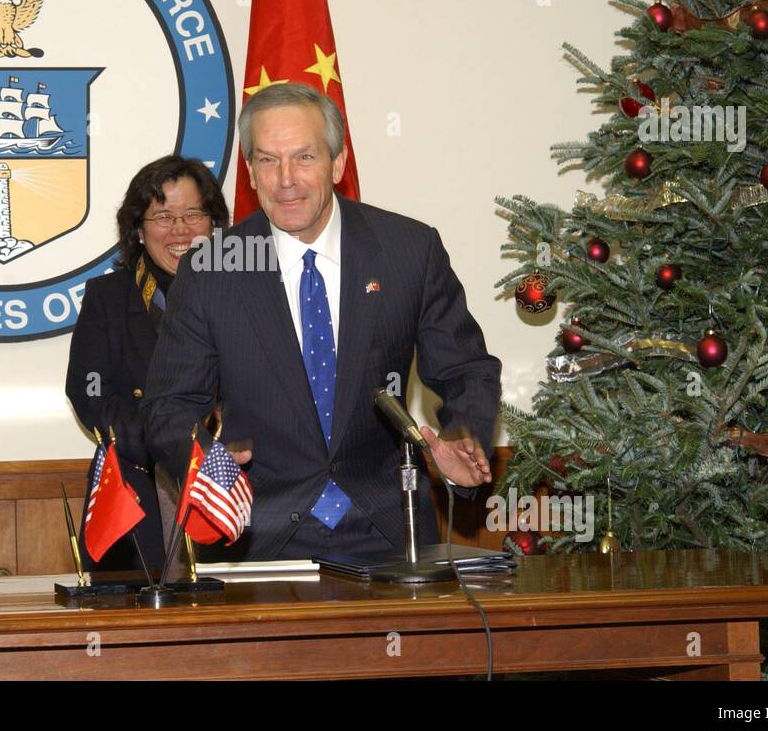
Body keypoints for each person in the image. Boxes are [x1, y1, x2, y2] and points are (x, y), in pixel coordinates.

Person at [141, 83, 501, 561]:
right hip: (258, 535)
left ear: (338, 163)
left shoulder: (409, 251)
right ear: (250, 173)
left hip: (391, 530)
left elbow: (466, 371)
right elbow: (168, 407)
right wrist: (209, 462)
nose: (285, 180)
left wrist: (461, 436)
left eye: (304, 157)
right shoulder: (211, 269)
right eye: (268, 161)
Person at [65, 156, 229, 571]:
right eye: (163, 216)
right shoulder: (106, 297)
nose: (180, 229)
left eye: (193, 214)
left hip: (225, 484)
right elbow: (89, 395)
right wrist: (172, 443)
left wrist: (218, 448)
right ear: (138, 230)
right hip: (135, 487)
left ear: (213, 224)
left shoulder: (246, 294)